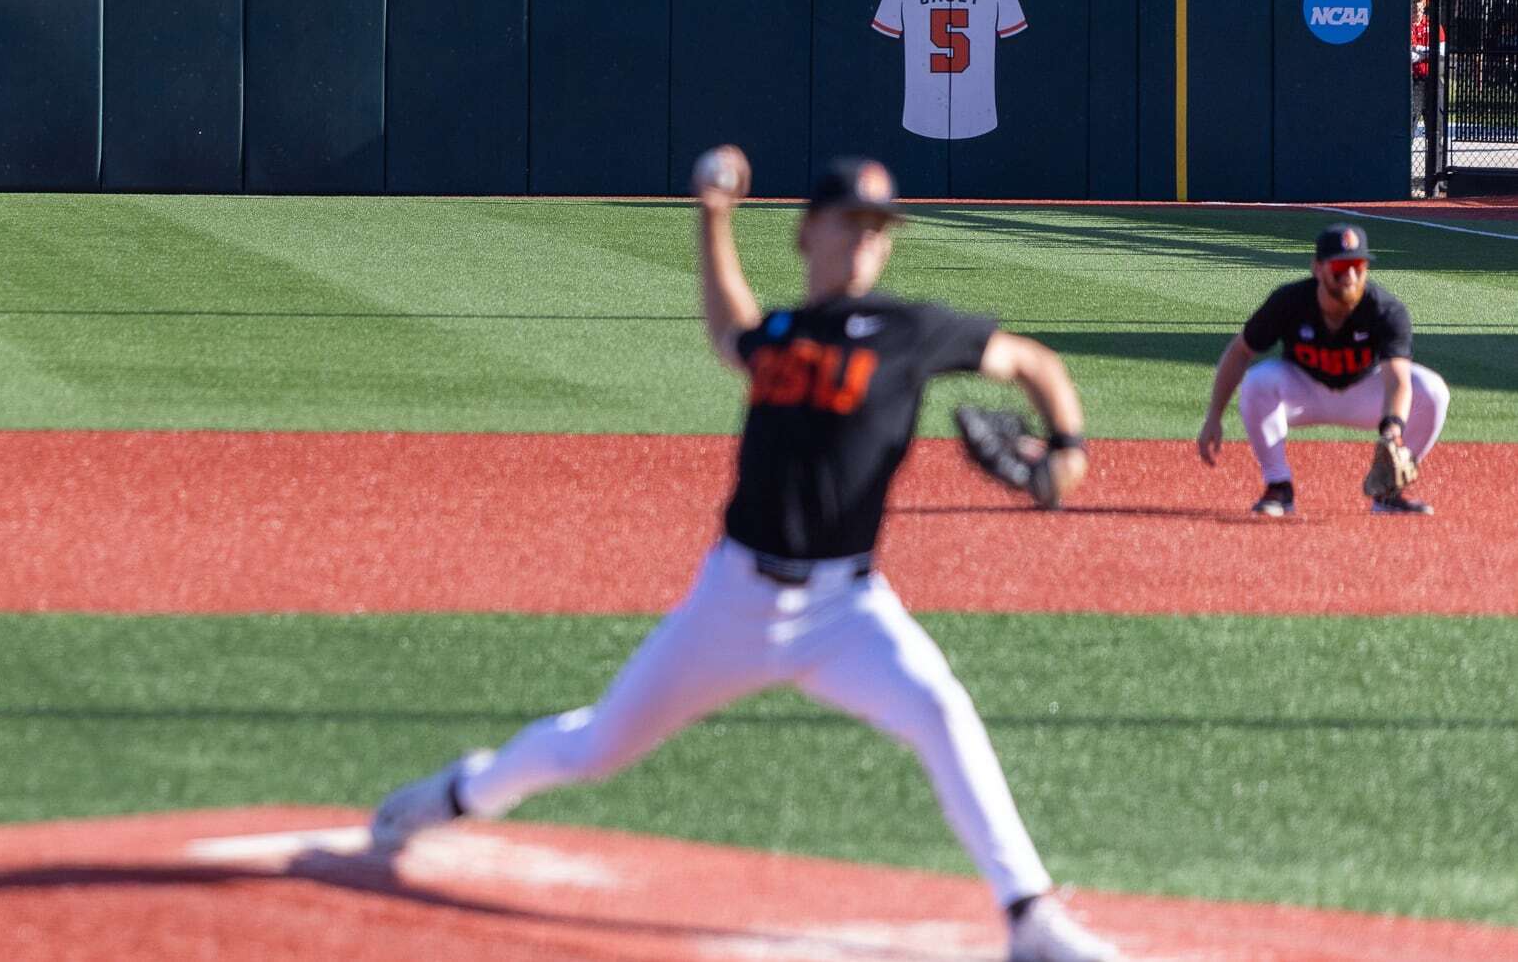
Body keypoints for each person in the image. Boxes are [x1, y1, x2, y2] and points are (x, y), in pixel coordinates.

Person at [371, 149, 1118, 962]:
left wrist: (1069, 446)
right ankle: (458, 792)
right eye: (851, 223)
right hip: (733, 599)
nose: (867, 240)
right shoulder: (784, 334)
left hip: (848, 609)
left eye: (879, 228)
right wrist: (715, 217)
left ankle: (1029, 916)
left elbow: (1034, 363)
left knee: (941, 713)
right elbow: (732, 330)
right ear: (808, 234)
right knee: (597, 746)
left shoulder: (911, 329)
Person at [1198, 223, 1451, 518]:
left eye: (1358, 265)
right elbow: (1240, 352)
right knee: (1258, 381)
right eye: (1340, 267)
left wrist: (1392, 432)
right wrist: (1214, 416)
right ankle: (1278, 486)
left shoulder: (1386, 310)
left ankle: (1389, 491)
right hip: (1302, 392)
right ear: (1317, 268)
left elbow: (1398, 378)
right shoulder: (1290, 301)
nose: (1351, 276)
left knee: (1432, 390)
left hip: (1363, 394)